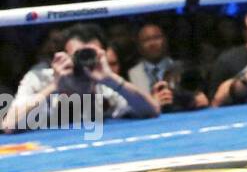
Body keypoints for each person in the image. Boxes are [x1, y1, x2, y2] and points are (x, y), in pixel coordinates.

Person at [1, 23, 158, 132]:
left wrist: (111, 79)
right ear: (62, 56)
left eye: (90, 54)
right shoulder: (38, 79)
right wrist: (54, 87)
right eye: (77, 55)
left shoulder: (103, 81)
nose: (83, 62)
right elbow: (9, 124)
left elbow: (152, 110)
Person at [126, 22, 174, 92]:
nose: (152, 44)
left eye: (156, 37)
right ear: (139, 46)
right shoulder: (131, 74)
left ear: (165, 40)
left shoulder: (180, 68)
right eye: (146, 40)